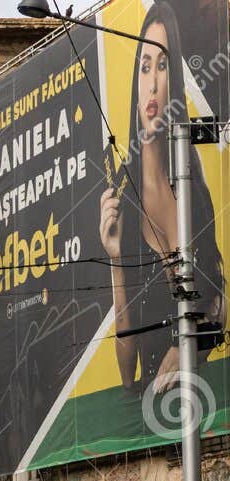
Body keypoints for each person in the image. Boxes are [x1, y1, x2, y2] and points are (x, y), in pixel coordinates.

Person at [100, 0, 225, 396]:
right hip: (150, 412)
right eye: (145, 66)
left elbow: (218, 302)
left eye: (165, 65)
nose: (152, 83)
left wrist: (181, 347)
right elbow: (124, 372)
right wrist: (116, 259)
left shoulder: (193, 182)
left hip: (207, 403)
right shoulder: (124, 205)